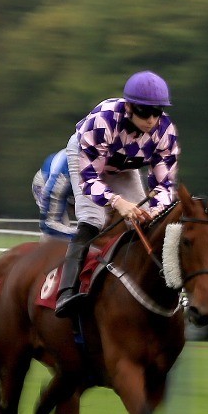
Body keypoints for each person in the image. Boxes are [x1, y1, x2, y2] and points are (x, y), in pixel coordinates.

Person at [53, 71, 180, 317]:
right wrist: (117, 202)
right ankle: (66, 292)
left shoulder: (166, 132)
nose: (151, 120)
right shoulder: (104, 120)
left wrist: (154, 212)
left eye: (157, 112)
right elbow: (90, 180)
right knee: (93, 218)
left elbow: (164, 186)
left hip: (123, 166)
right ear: (129, 107)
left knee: (145, 220)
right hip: (88, 159)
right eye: (144, 112)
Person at [31, 150, 76, 241]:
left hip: (67, 185)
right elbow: (50, 223)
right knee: (59, 233)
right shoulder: (63, 172)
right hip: (46, 184)